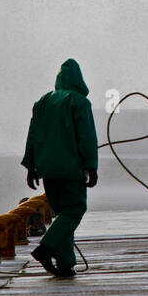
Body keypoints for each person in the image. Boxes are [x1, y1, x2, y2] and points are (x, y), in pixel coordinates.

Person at [21, 58, 98, 278]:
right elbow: (86, 137)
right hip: (71, 169)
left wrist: (31, 166)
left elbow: (33, 135)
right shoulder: (79, 102)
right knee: (74, 210)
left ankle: (66, 264)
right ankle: (46, 249)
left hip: (47, 168)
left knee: (62, 215)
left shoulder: (43, 102)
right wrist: (91, 166)